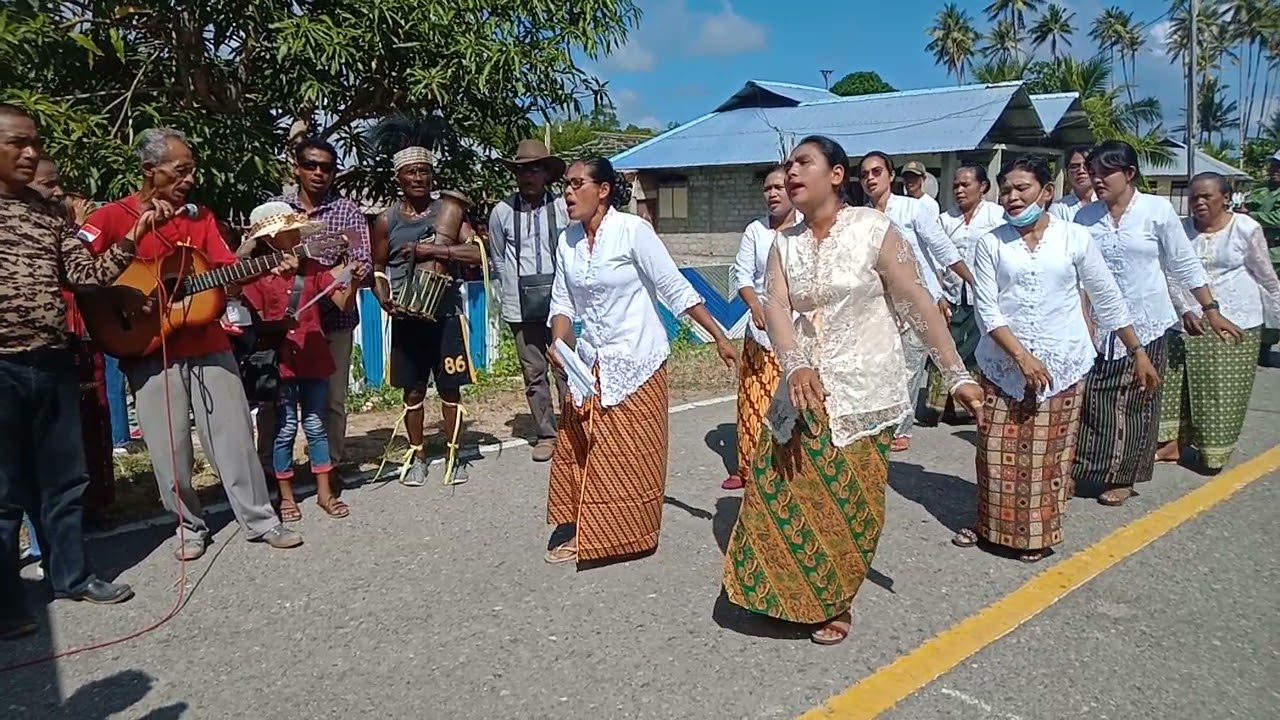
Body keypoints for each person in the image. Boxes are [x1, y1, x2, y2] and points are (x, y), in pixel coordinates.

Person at [722, 135, 982, 645]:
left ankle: (833, 601)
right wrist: (794, 363)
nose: (792, 172)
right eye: (788, 165)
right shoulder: (784, 242)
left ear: (836, 175)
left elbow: (916, 303)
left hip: (864, 389)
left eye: (804, 163)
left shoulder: (874, 230)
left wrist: (956, 374)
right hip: (800, 388)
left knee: (846, 504)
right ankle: (779, 595)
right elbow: (776, 306)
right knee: (779, 491)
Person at [82, 127, 303, 560]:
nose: (191, 178)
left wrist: (263, 266)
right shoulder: (111, 217)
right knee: (169, 446)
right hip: (148, 347)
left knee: (234, 434)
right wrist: (125, 298)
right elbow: (76, 269)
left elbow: (225, 270)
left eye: (192, 169)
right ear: (150, 171)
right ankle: (188, 526)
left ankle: (260, 519)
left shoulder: (200, 218)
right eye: (181, 170)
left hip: (208, 340)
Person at [544, 157, 737, 566]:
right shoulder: (567, 241)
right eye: (566, 184)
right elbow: (562, 300)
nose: (568, 192)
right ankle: (587, 524)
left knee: (627, 455)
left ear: (604, 190)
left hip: (637, 360)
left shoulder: (633, 231)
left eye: (578, 183)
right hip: (589, 361)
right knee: (583, 445)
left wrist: (719, 335)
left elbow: (674, 287)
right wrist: (559, 343)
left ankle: (624, 535)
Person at [959, 156, 1152, 562]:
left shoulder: (1075, 238)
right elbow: (988, 310)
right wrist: (1021, 357)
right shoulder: (991, 242)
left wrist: (1137, 351)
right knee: (996, 451)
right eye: (1006, 189)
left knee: (1049, 457)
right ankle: (992, 527)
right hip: (1002, 365)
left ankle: (1035, 536)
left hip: (1063, 363)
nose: (1012, 197)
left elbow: (1106, 297)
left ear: (1046, 193)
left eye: (1022, 188)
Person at [1, 103, 137, 640]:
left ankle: (72, 575)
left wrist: (129, 240)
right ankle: (9, 605)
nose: (31, 153)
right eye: (17, 143)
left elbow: (86, 276)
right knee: (6, 491)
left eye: (34, 142)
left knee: (65, 479)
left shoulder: (45, 208)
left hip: (52, 359)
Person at [1071, 141, 1242, 507]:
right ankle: (1089, 470)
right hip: (1100, 326)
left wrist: (1209, 308)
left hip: (1147, 321)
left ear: (1129, 174)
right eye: (1093, 172)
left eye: (1105, 172)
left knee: (1137, 401)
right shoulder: (1084, 219)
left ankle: (1125, 477)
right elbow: (1079, 275)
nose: (1097, 179)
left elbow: (1183, 263)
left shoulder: (1156, 211)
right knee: (1096, 400)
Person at [253, 138, 371, 489]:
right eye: (311, 165)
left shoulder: (347, 211)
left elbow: (360, 259)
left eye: (327, 167)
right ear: (297, 167)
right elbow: (256, 257)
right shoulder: (278, 209)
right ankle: (273, 470)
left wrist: (351, 271)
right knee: (276, 402)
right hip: (283, 326)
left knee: (332, 400)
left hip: (333, 323)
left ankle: (328, 466)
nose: (319, 173)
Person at [239, 202, 364, 520]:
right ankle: (286, 498)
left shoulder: (311, 268)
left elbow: (343, 304)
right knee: (285, 428)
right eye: (287, 231)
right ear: (270, 239)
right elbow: (254, 321)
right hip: (281, 360)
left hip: (313, 355)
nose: (295, 234)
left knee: (316, 424)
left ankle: (324, 492)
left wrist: (352, 279)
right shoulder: (255, 277)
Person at [370, 145, 485, 487]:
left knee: (451, 390)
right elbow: (377, 267)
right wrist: (382, 294)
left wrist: (433, 249)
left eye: (424, 171)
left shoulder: (449, 215)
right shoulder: (385, 220)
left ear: (432, 176)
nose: (418, 178)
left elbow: (477, 253)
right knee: (413, 392)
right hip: (407, 318)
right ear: (398, 178)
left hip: (445, 315)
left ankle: (454, 454)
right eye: (411, 172)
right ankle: (417, 455)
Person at [1157, 173, 1280, 471]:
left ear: (1225, 198)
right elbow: (1169, 272)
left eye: (1206, 196)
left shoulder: (1245, 228)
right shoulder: (1181, 229)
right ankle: (1172, 445)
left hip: (1236, 319)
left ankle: (1214, 452)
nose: (1198, 202)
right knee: (1176, 386)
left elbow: (1265, 275)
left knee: (1218, 392)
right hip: (1185, 319)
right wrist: (1185, 308)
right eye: (1194, 196)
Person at [859, 151, 973, 451]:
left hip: (916, 301)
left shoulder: (913, 210)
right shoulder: (863, 217)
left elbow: (941, 250)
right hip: (879, 305)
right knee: (881, 367)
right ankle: (881, 421)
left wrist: (972, 284)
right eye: (865, 174)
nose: (870, 178)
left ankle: (901, 428)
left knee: (909, 368)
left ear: (890, 176)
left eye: (876, 172)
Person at [29, 157, 117, 527]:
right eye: (50, 185)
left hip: (86, 345)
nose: (61, 193)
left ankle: (96, 504)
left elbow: (95, 271)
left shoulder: (72, 234)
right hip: (44, 349)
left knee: (95, 424)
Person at [487, 139, 570, 462]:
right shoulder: (502, 212)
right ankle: (546, 434)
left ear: (546, 173)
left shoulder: (563, 208)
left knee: (566, 369)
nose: (528, 176)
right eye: (522, 170)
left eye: (535, 169)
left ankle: (573, 430)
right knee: (534, 373)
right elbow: (498, 259)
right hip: (519, 306)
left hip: (560, 303)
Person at [723, 164, 800, 491]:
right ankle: (747, 467)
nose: (772, 194)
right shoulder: (755, 230)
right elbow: (741, 273)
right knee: (753, 401)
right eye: (767, 188)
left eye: (779, 188)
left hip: (796, 331)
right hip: (760, 332)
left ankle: (786, 467)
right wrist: (755, 304)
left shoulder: (805, 231)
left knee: (790, 402)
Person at [925, 163, 1006, 423]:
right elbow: (935, 258)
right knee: (946, 346)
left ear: (982, 187)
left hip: (982, 295)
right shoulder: (946, 220)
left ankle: (964, 407)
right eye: (956, 186)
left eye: (966, 184)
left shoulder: (997, 216)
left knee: (972, 348)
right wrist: (937, 294)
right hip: (950, 295)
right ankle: (936, 407)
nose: (960, 190)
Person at [1048, 146, 1095, 222]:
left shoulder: (1107, 203)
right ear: (1066, 172)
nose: (1081, 171)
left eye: (1087, 166)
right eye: (1074, 167)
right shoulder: (1059, 208)